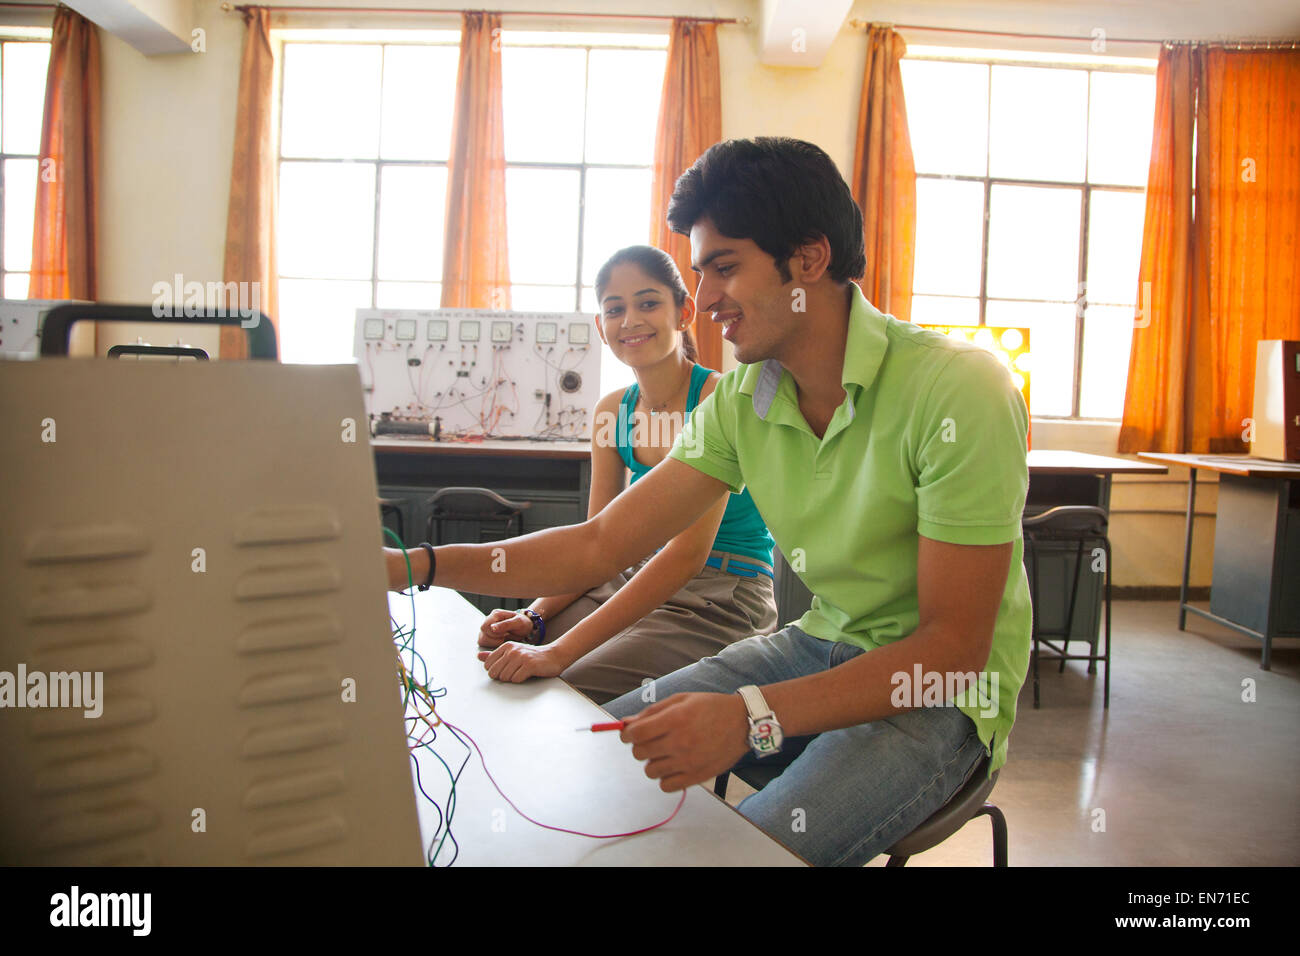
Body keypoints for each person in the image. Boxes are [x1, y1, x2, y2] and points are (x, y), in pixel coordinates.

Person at [383, 136, 1031, 867]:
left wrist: (751, 716)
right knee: (580, 756)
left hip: (941, 699)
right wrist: (412, 564)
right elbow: (602, 545)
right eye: (700, 272)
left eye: (726, 267)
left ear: (809, 261)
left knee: (741, 854)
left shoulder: (959, 387)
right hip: (819, 643)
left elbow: (952, 653)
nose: (707, 299)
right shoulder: (745, 402)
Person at [470, 245, 779, 704]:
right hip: (633, 576)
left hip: (720, 597)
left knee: (563, 687)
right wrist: (534, 618)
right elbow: (596, 545)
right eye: (615, 309)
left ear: (685, 312)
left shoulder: (719, 399)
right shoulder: (612, 410)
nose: (630, 320)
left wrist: (557, 652)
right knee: (506, 663)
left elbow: (684, 558)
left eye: (648, 303)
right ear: (601, 327)